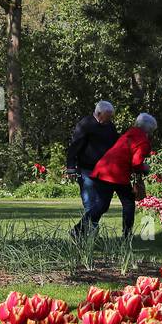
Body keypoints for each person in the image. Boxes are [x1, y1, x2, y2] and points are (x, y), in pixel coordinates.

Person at [84, 113, 156, 238]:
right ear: (149, 129)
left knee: (102, 205)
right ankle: (127, 235)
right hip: (116, 174)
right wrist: (144, 168)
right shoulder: (142, 141)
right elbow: (137, 162)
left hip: (103, 169)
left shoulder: (129, 134)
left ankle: (78, 229)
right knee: (128, 203)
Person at [67, 100, 119, 239]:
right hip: (86, 170)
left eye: (111, 117)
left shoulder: (110, 127)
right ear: (99, 113)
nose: (109, 120)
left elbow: (116, 146)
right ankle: (88, 234)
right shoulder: (85, 124)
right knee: (90, 203)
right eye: (107, 116)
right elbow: (75, 146)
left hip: (106, 171)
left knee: (103, 204)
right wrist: (71, 167)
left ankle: (81, 231)